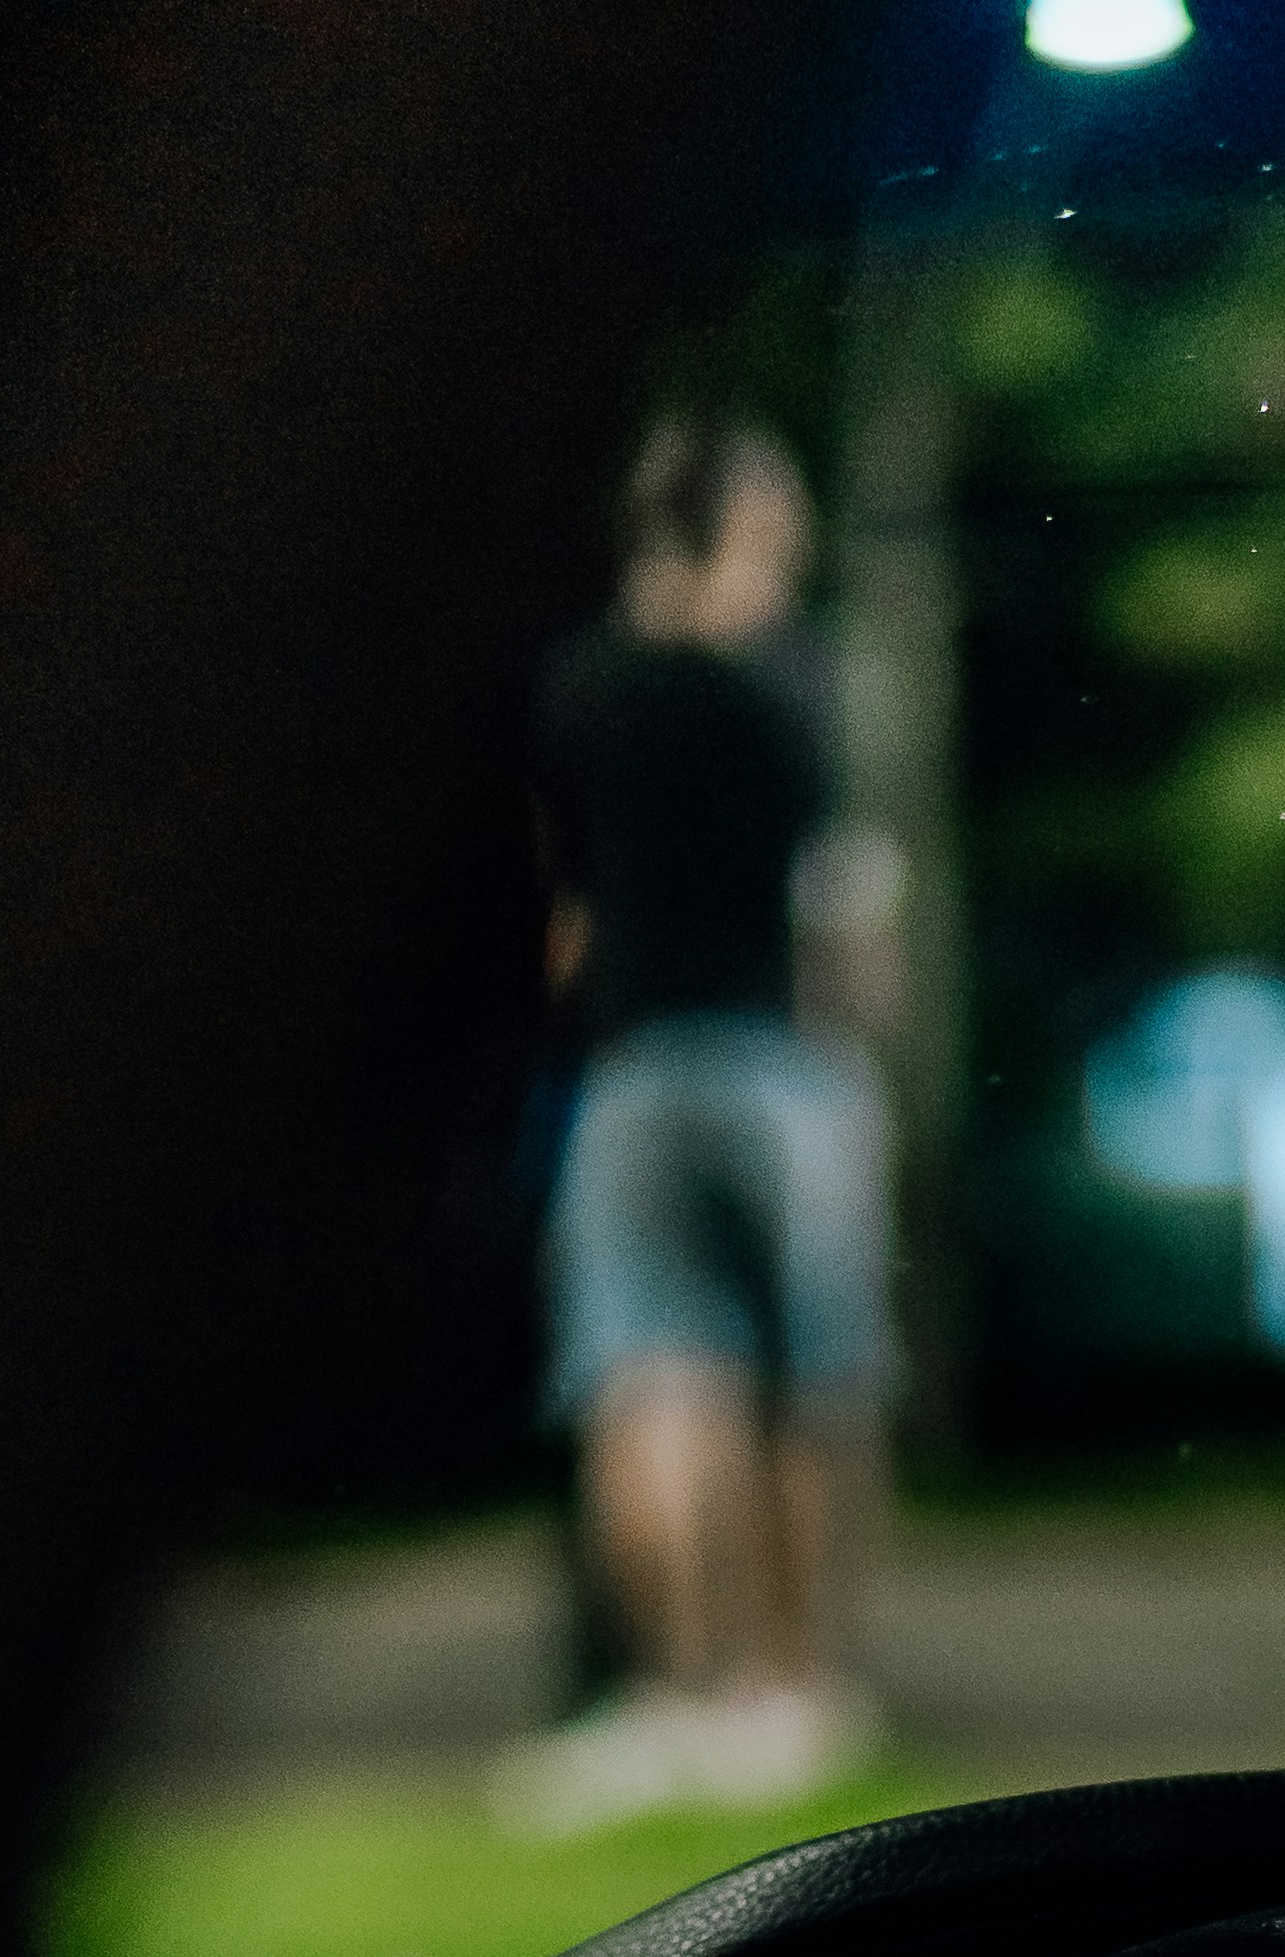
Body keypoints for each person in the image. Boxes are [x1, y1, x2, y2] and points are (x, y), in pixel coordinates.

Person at [500, 415, 894, 1831]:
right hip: (788, 1063)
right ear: (740, 522)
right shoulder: (794, 682)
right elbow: (847, 899)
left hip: (634, 1065)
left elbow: (567, 911)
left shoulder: (580, 686)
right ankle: (795, 1695)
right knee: (818, 1376)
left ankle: (674, 1699)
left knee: (655, 1379)